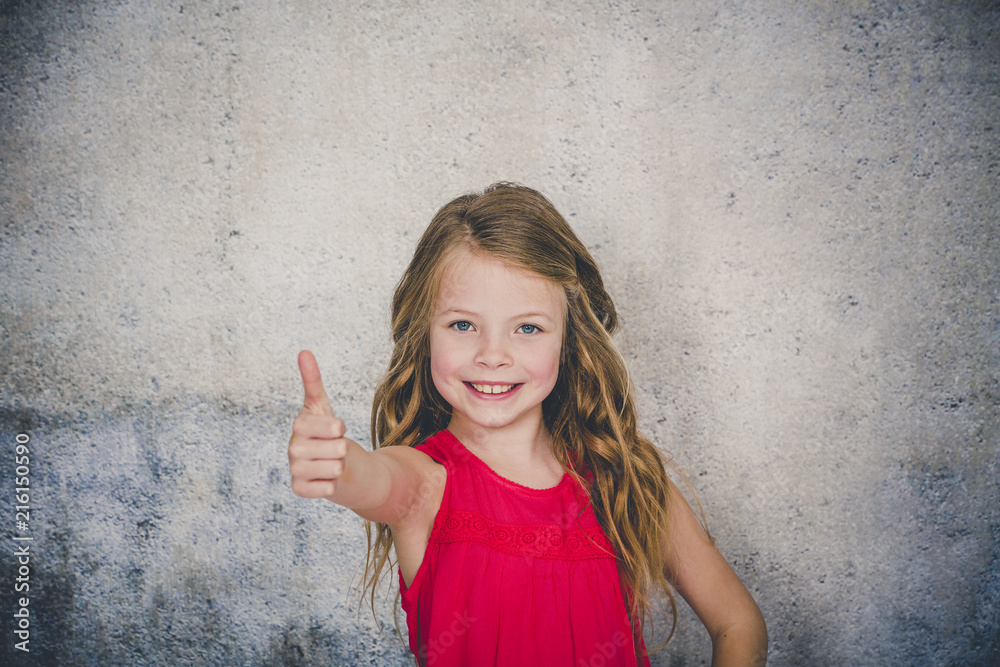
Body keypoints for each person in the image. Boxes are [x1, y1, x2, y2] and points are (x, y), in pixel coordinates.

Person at [287, 183, 767, 666]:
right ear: (424, 333)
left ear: (568, 339)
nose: (493, 355)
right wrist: (335, 464)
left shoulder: (624, 480)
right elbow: (373, 480)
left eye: (528, 328)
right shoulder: (425, 485)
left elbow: (737, 622)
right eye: (462, 325)